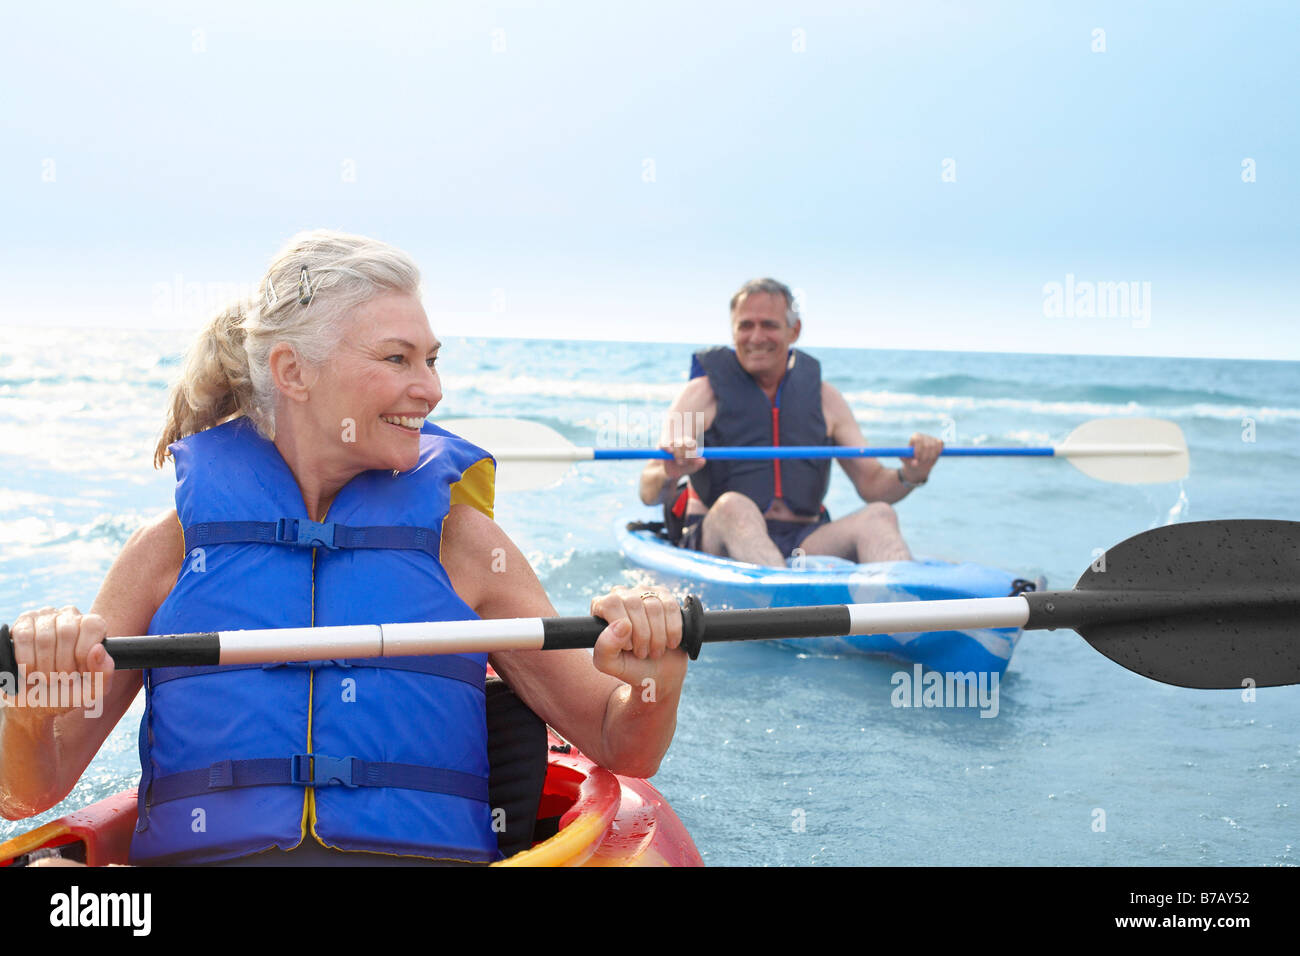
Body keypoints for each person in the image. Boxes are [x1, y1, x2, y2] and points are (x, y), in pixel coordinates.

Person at [0, 230, 688, 866]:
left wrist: (655, 670)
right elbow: (30, 792)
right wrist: (27, 713)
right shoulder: (171, 552)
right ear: (293, 371)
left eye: (432, 359)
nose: (432, 388)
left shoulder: (465, 546)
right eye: (398, 358)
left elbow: (620, 740)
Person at [639, 278, 943, 567]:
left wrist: (911, 473)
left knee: (879, 516)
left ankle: (908, 615)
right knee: (735, 506)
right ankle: (786, 613)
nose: (756, 337)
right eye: (745, 326)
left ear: (793, 330)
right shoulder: (699, 395)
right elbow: (648, 490)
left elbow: (873, 485)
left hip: (803, 543)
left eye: (768, 325)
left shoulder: (827, 399)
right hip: (718, 536)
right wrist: (669, 470)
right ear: (733, 333)